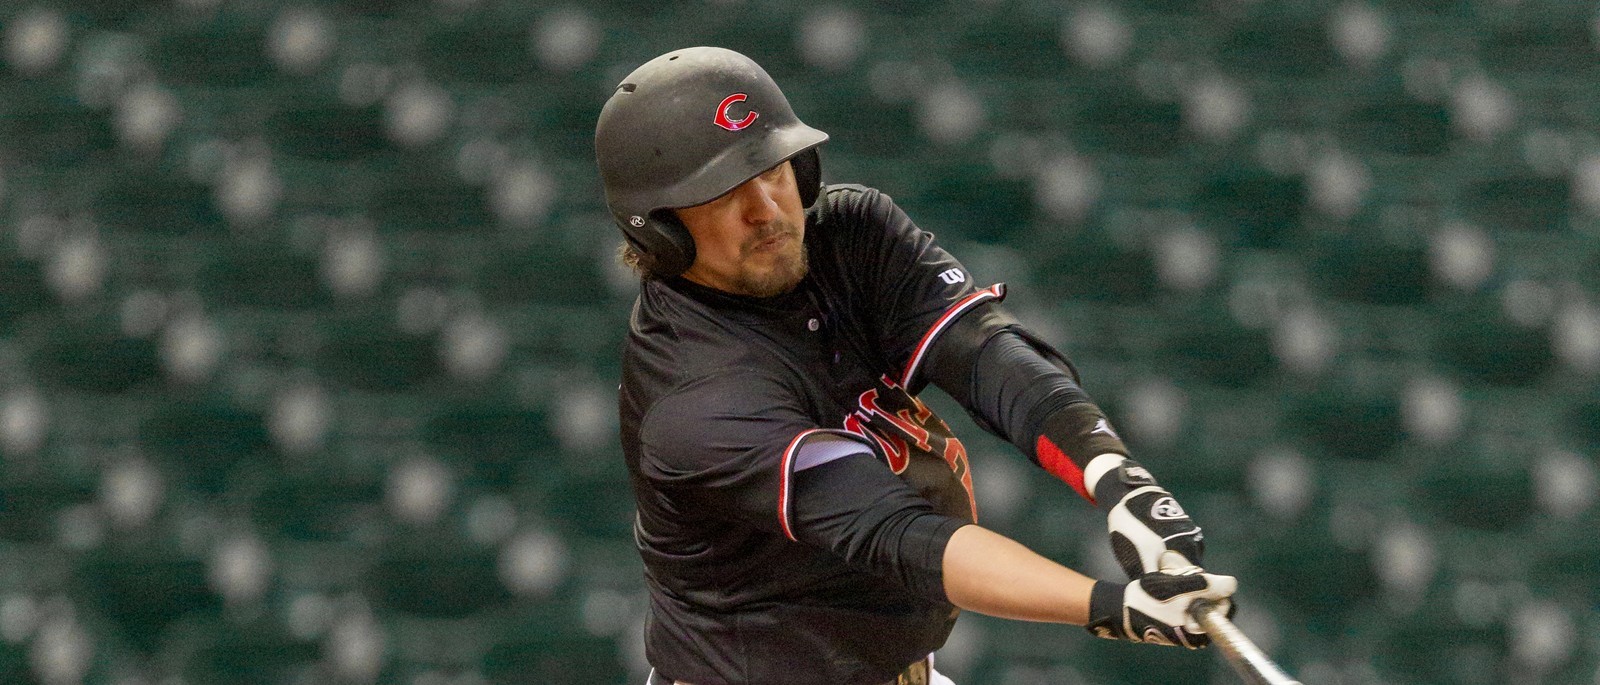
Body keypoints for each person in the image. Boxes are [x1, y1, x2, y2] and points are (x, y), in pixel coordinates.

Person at [595, 46, 1236, 685]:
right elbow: (899, 536)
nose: (766, 208)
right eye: (724, 192)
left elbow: (987, 355)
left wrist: (1121, 482)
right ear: (659, 230)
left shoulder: (849, 236)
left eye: (772, 169)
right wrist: (1113, 608)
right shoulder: (696, 398)